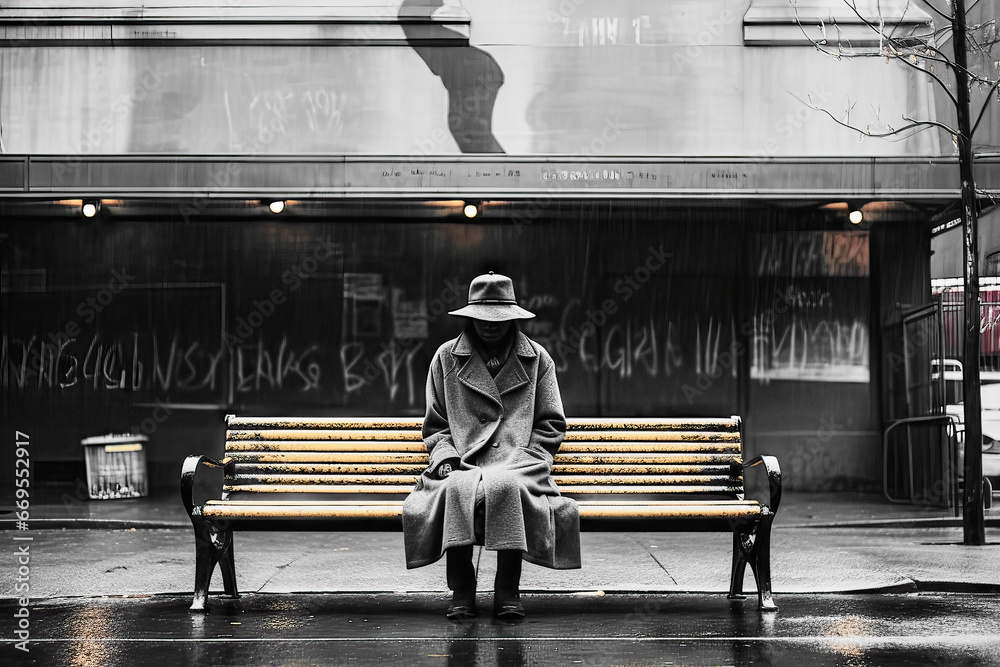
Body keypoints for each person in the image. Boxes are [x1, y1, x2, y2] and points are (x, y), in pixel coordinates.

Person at [402, 272, 581, 620]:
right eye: (482, 317)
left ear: (513, 317)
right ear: (470, 316)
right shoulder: (445, 358)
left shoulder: (538, 359)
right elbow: (436, 425)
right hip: (462, 462)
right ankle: (462, 589)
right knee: (457, 487)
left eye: (498, 318)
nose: (490, 326)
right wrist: (445, 459)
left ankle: (507, 590)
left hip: (519, 463)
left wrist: (532, 458)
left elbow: (551, 423)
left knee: (505, 485)